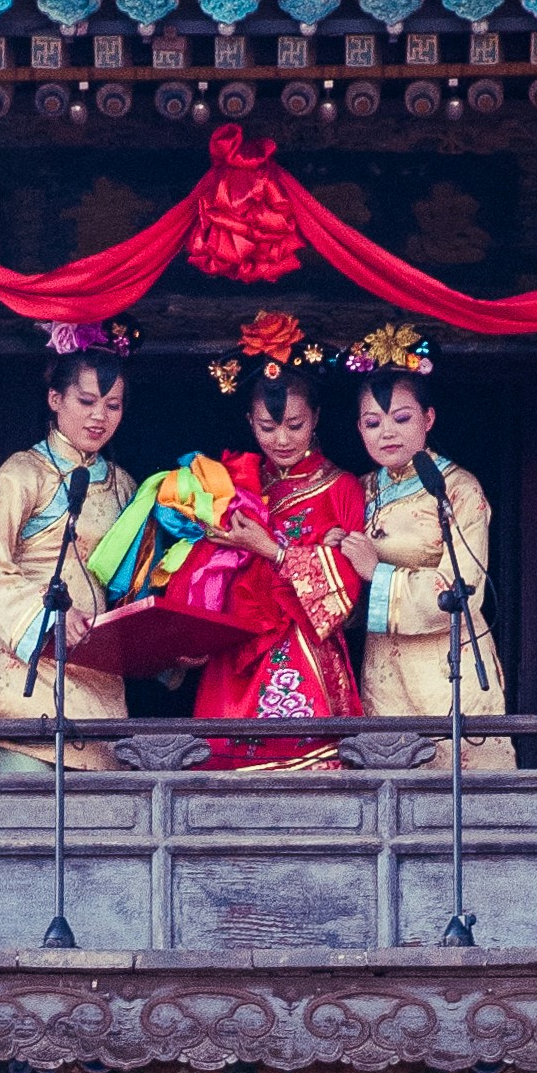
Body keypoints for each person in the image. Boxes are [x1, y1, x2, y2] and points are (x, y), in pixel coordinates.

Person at [192, 311, 366, 771]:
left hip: (305, 652)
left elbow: (345, 595)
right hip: (235, 652)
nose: (282, 439)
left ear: (317, 419)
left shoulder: (341, 487)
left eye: (295, 425)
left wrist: (273, 551)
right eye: (268, 429)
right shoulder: (234, 485)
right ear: (250, 421)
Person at [0, 322, 137, 772]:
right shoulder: (23, 473)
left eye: (112, 404)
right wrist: (45, 620)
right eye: (86, 401)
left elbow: (133, 581)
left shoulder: (124, 486)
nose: (99, 416)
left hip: (98, 667)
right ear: (55, 400)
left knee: (96, 825)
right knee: (30, 819)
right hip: (30, 665)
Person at [347, 321, 515, 773]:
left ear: (429, 418)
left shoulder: (457, 489)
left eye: (401, 419)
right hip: (382, 667)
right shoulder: (357, 490)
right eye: (372, 422)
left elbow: (464, 588)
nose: (387, 433)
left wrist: (374, 573)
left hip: (447, 667)